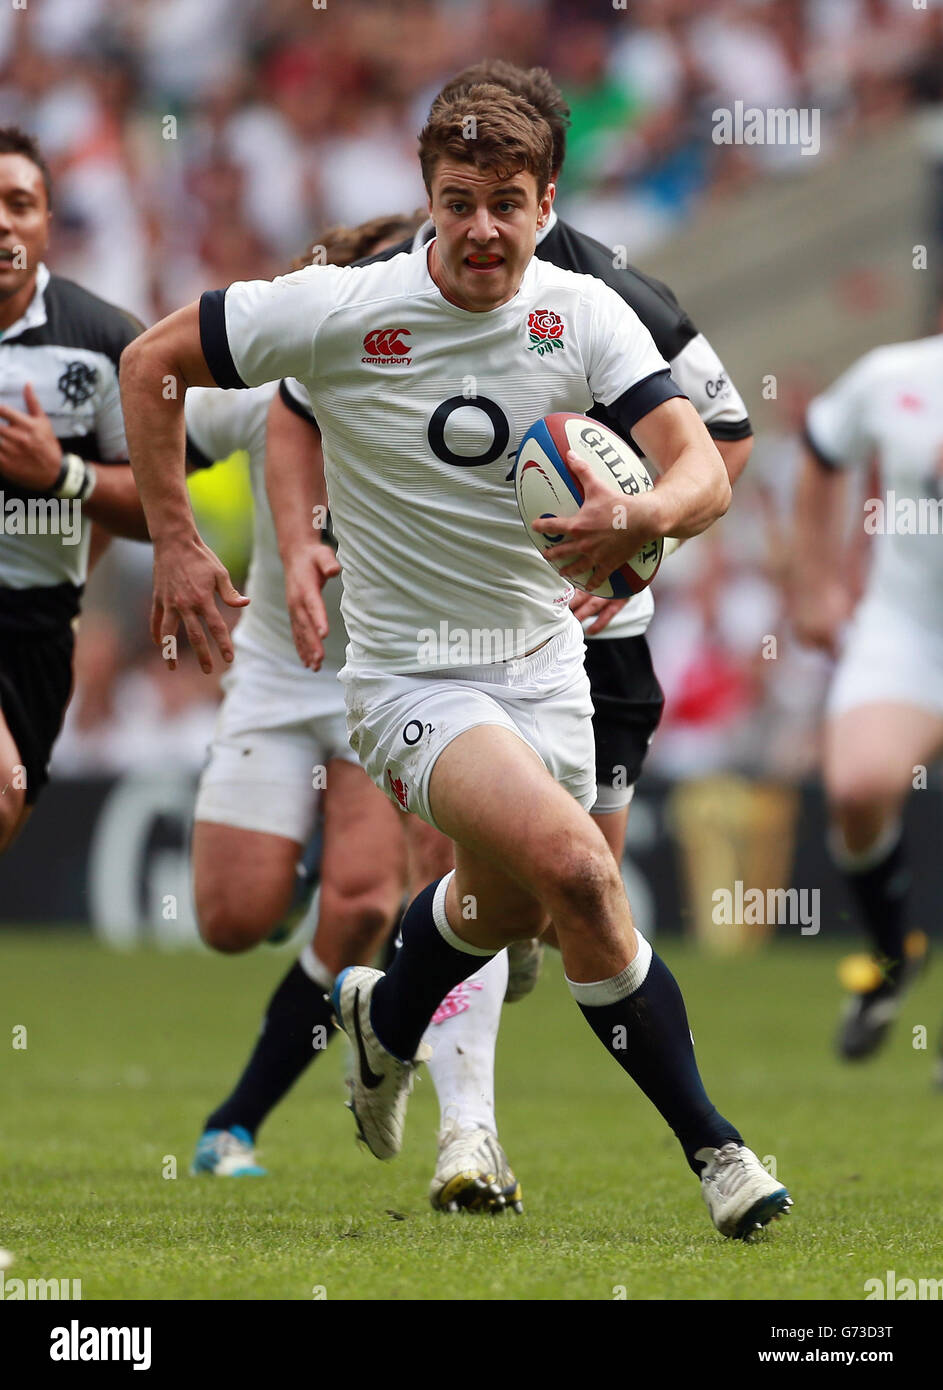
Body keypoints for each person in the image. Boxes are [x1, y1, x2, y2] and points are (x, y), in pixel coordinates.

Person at [120, 87, 792, 1239]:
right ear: (427, 199)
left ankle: (386, 1018)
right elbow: (151, 361)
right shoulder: (341, 308)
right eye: (458, 203)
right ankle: (719, 1151)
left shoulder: (586, 314)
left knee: (515, 909)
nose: (483, 229)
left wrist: (647, 520)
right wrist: (179, 542)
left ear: (546, 203)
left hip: (549, 672)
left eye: (507, 205)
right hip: (411, 683)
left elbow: (703, 467)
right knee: (581, 873)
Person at [185, 214, 517, 1209]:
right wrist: (161, 533)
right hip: (274, 679)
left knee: (372, 900)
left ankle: (234, 1121)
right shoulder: (260, 396)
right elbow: (143, 435)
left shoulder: (426, 389)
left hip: (380, 680)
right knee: (232, 918)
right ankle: (292, 878)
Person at [0, 126, 149, 856]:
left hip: (39, 629)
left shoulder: (102, 340)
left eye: (19, 203)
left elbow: (158, 507)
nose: (1, 220)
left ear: (46, 223)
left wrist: (60, 474)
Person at [793, 333, 940, 1061]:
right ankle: (891, 957)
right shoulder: (894, 374)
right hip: (906, 625)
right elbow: (821, 450)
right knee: (855, 788)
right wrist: (816, 582)